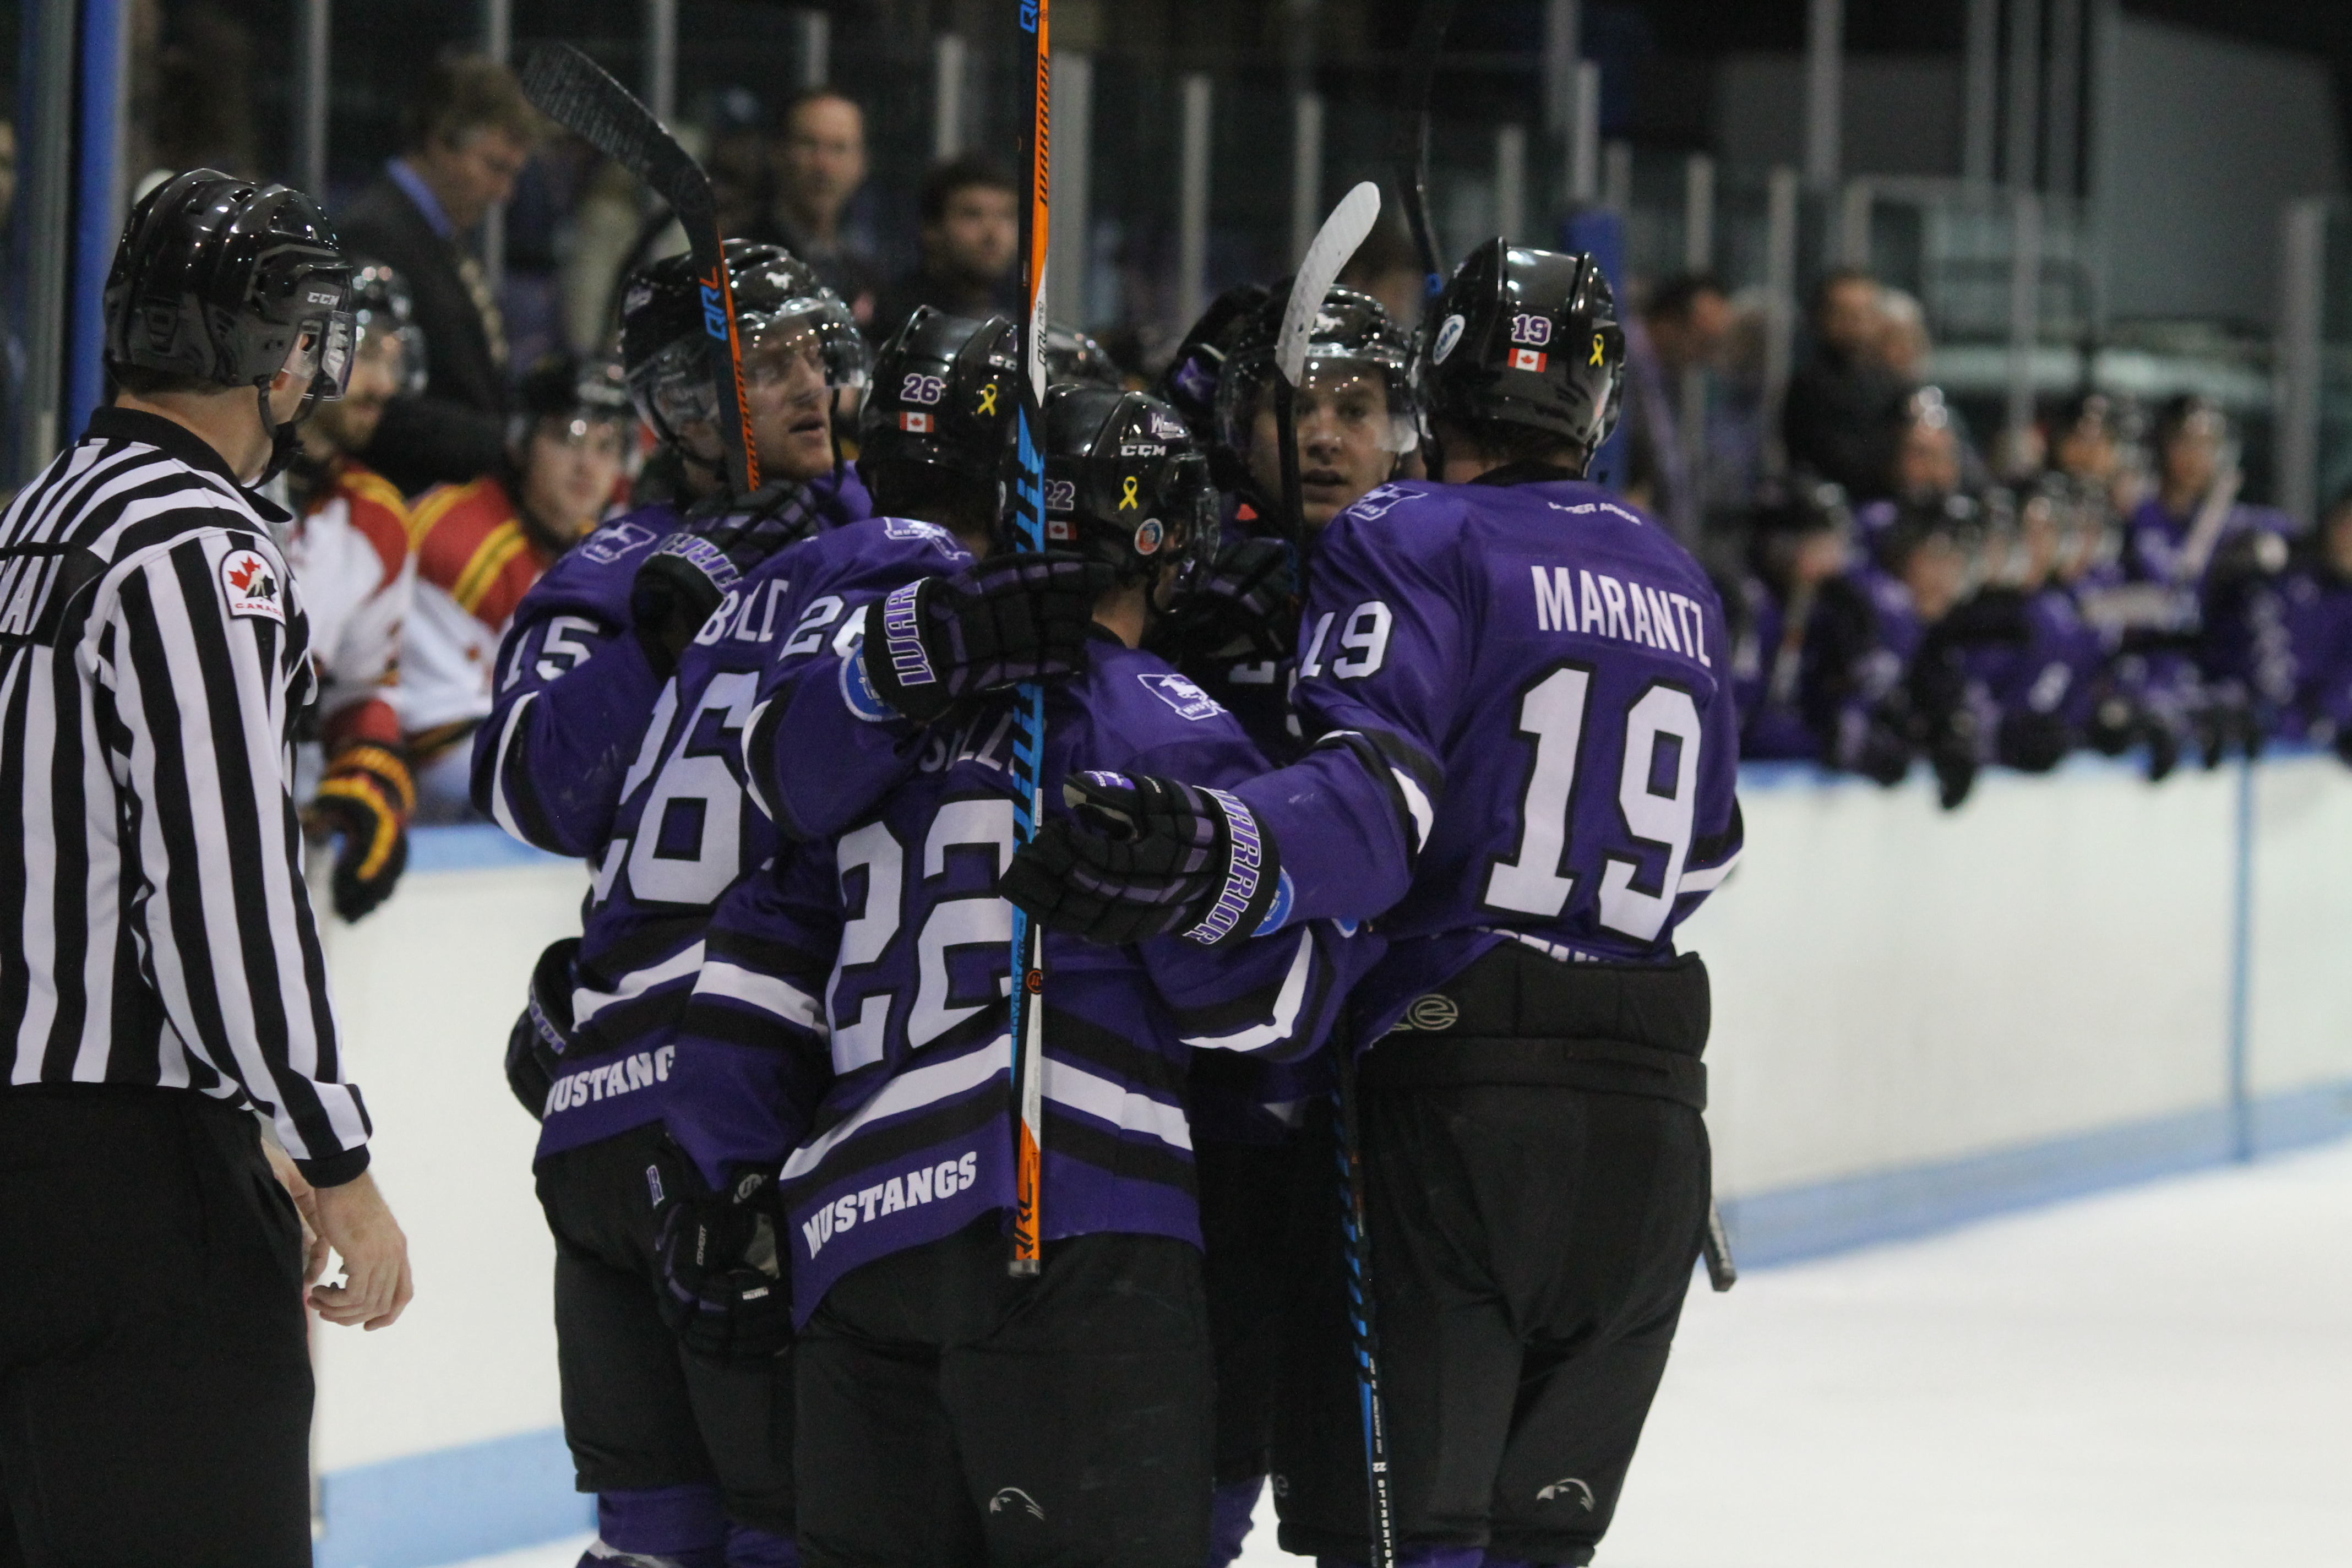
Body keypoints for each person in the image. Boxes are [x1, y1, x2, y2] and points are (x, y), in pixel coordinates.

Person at [1003, 239, 1743, 1568]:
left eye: (1361, 404)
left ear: (1428, 395)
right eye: (1305, 406)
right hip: (1643, 1094)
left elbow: (1372, 812)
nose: (1331, 435)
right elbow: (1705, 856)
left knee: (1397, 1539)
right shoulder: (1677, 574)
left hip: (1437, 1083)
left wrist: (1213, 841)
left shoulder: (1405, 538)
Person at [679, 383, 1357, 1568]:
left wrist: (722, 1174)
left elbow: (761, 933)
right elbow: (1262, 1010)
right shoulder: (1164, 726)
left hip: (855, 1246)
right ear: (1172, 542)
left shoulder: (888, 733)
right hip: (1068, 1223)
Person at [0, 167, 411, 1567]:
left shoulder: (32, 517)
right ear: (274, 351)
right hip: (125, 1185)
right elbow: (221, 890)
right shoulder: (200, 548)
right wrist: (332, 1153)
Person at [472, 242, 885, 1568]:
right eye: (767, 364)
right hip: (719, 1107)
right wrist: (665, 628)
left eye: (816, 351)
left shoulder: (883, 536)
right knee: (753, 1521)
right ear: (684, 405)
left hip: (668, 1099)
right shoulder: (623, 564)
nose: (808, 384)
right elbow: (527, 780)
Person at [401, 352, 635, 820]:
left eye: (607, 445)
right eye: (568, 437)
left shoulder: (608, 544)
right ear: (520, 441)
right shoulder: (458, 540)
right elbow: (435, 746)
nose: (588, 466)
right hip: (425, 810)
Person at [281, 259, 426, 919]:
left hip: (279, 828)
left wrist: (368, 779)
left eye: (396, 359)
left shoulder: (377, 518)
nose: (384, 385)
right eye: (368, 353)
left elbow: (363, 691)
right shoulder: (212, 482)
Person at [337, 56, 541, 493]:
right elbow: (360, 395)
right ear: (441, 142)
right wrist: (499, 443)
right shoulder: (376, 233)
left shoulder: (440, 235)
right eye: (495, 167)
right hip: (403, 501)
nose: (504, 193)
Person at [759, 89, 885, 330]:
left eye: (839, 149)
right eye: (809, 145)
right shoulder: (742, 262)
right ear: (777, 153)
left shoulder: (870, 278)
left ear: (861, 164)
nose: (824, 166)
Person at [1620, 272, 1730, 546]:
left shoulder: (1668, 379)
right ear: (1668, 324)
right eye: (1704, 342)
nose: (1707, 358)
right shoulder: (1618, 364)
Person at [1782, 268, 1911, 500]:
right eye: (1845, 313)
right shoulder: (1809, 387)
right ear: (1822, 318)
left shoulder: (1894, 384)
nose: (1857, 323)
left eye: (1866, 312)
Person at [869, 157, 1021, 344]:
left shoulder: (1019, 314)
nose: (993, 234)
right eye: (972, 215)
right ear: (932, 230)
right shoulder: (902, 320)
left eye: (1006, 216)